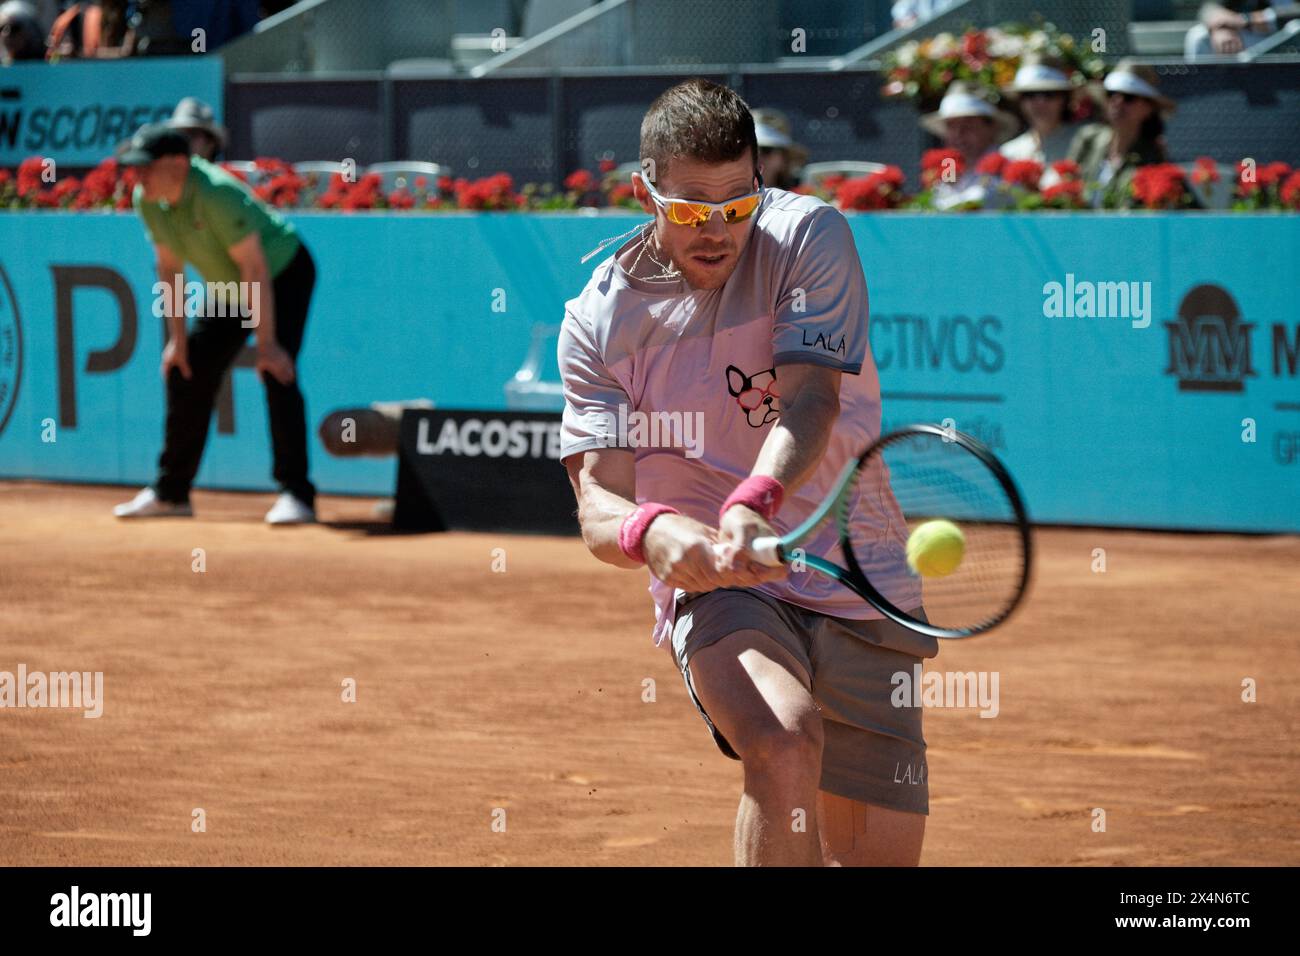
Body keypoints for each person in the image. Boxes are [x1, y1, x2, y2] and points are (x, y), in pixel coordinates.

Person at [560, 78, 935, 867]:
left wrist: (753, 501)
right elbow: (597, 499)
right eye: (692, 207)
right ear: (647, 191)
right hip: (724, 589)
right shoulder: (597, 319)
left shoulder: (810, 236)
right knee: (784, 739)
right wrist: (649, 530)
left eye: (737, 205)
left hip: (858, 571)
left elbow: (811, 399)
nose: (717, 229)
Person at [112, 123, 318, 524]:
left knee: (277, 370)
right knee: (185, 370)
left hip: (280, 275)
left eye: (145, 167)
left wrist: (268, 342)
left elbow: (255, 267)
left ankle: (297, 494)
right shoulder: (147, 199)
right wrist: (177, 342)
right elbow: (169, 270)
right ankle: (171, 493)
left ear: (177, 163)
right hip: (229, 286)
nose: (137, 176)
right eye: (134, 169)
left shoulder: (216, 194)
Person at [1067, 59, 1191, 209]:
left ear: (1148, 108)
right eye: (1111, 94)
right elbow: (1067, 186)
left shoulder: (1153, 156)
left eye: (1128, 97)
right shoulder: (1088, 139)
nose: (1117, 102)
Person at [918, 81, 1017, 209]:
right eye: (952, 126)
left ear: (992, 128)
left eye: (968, 125)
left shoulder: (1006, 166)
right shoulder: (947, 167)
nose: (959, 134)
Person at [999, 54, 1088, 173]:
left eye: (1048, 94)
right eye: (1030, 95)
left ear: (1064, 99)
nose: (1040, 102)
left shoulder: (1084, 143)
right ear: (1020, 101)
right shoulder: (1009, 152)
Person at [1185, 1, 1299, 59]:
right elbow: (1210, 6)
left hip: (1290, 37)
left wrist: (1248, 20)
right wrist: (1221, 28)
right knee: (1199, 36)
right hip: (1250, 35)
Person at [751, 107, 808, 191]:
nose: (756, 157)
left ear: (784, 159)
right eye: (749, 150)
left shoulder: (804, 200)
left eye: (766, 150)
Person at [166, 96, 226, 161]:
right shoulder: (163, 170)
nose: (184, 140)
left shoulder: (225, 171)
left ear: (211, 143)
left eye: (192, 134)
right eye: (179, 135)